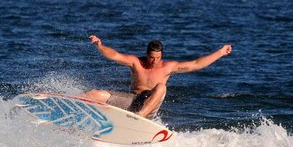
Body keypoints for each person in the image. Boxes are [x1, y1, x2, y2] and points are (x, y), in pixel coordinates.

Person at [81, 36, 232, 118]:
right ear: (147, 55)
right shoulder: (136, 62)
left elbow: (196, 64)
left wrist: (220, 52)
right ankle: (61, 104)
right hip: (132, 100)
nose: (154, 61)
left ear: (162, 56)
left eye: (158, 57)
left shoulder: (168, 67)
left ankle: (139, 117)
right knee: (95, 94)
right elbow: (114, 55)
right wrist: (100, 46)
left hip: (149, 108)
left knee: (161, 87)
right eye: (152, 57)